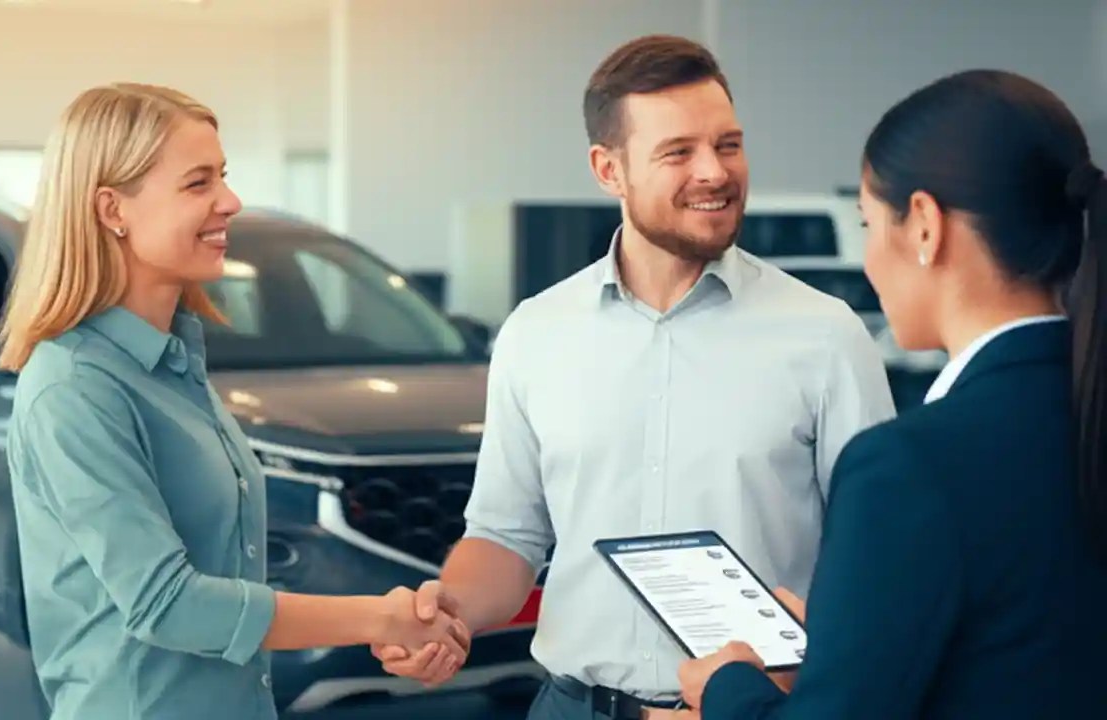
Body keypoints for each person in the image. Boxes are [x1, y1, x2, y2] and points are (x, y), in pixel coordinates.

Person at [372, 35, 895, 718]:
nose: (714, 171)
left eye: (728, 145)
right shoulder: (537, 332)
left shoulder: (826, 336)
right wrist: (444, 614)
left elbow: (880, 561)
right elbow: (507, 534)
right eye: (678, 152)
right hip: (573, 706)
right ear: (608, 169)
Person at [0, 83, 468, 719]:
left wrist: (397, 621)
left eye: (223, 176)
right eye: (198, 184)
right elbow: (168, 604)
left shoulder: (175, 361)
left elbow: (228, 575)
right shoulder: (75, 386)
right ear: (112, 208)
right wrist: (378, 617)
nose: (230, 202)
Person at [675, 69, 1107, 719]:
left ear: (926, 226)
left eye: (869, 223)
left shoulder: (909, 466)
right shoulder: (1077, 411)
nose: (870, 259)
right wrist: (848, 627)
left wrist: (729, 686)